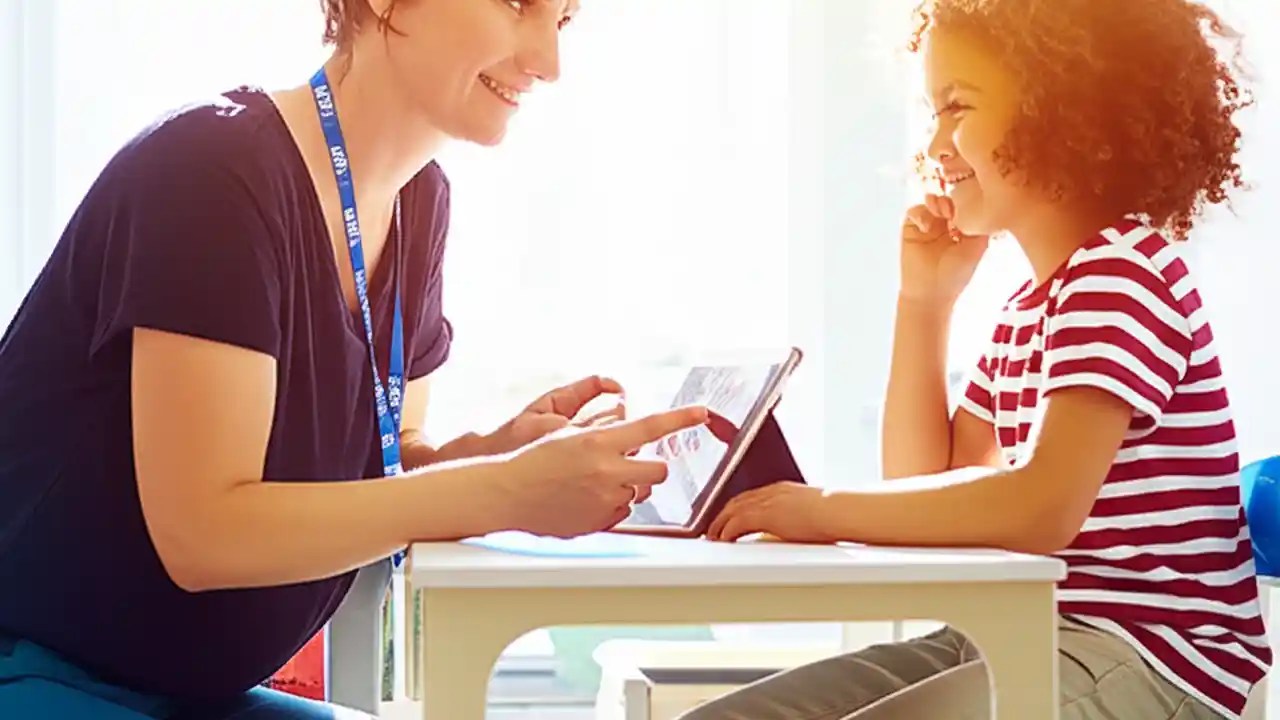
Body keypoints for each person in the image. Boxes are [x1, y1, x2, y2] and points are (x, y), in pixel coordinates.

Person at [0, 1, 708, 718]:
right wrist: (504, 489)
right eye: (518, 4)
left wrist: (495, 454)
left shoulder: (419, 200)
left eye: (562, 21)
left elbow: (389, 464)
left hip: (187, 696)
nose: (548, 63)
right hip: (39, 675)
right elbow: (203, 533)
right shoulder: (210, 173)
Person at [692, 0, 1269, 718]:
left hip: (1145, 658)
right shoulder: (1035, 306)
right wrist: (924, 305)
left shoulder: (1121, 275)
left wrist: (823, 510)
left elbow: (1041, 508)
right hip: (1024, 632)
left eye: (955, 107)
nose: (934, 145)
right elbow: (924, 483)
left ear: (1067, 112)